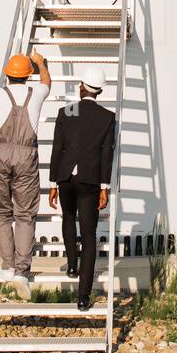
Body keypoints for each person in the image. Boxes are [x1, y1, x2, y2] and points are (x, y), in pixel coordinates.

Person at [0, 50, 50, 299]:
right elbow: (46, 81)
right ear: (28, 76)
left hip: (1, 155)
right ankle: (22, 271)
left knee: (1, 211)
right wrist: (40, 63)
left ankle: (7, 265)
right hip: (27, 155)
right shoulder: (36, 93)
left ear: (6, 75)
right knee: (26, 215)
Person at [47, 66, 116, 310]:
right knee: (89, 235)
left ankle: (72, 264)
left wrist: (53, 182)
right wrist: (105, 187)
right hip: (90, 180)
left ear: (81, 87)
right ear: (99, 91)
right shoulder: (107, 117)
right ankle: (83, 297)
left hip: (66, 177)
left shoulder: (66, 112)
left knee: (67, 216)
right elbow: (107, 154)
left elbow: (57, 149)